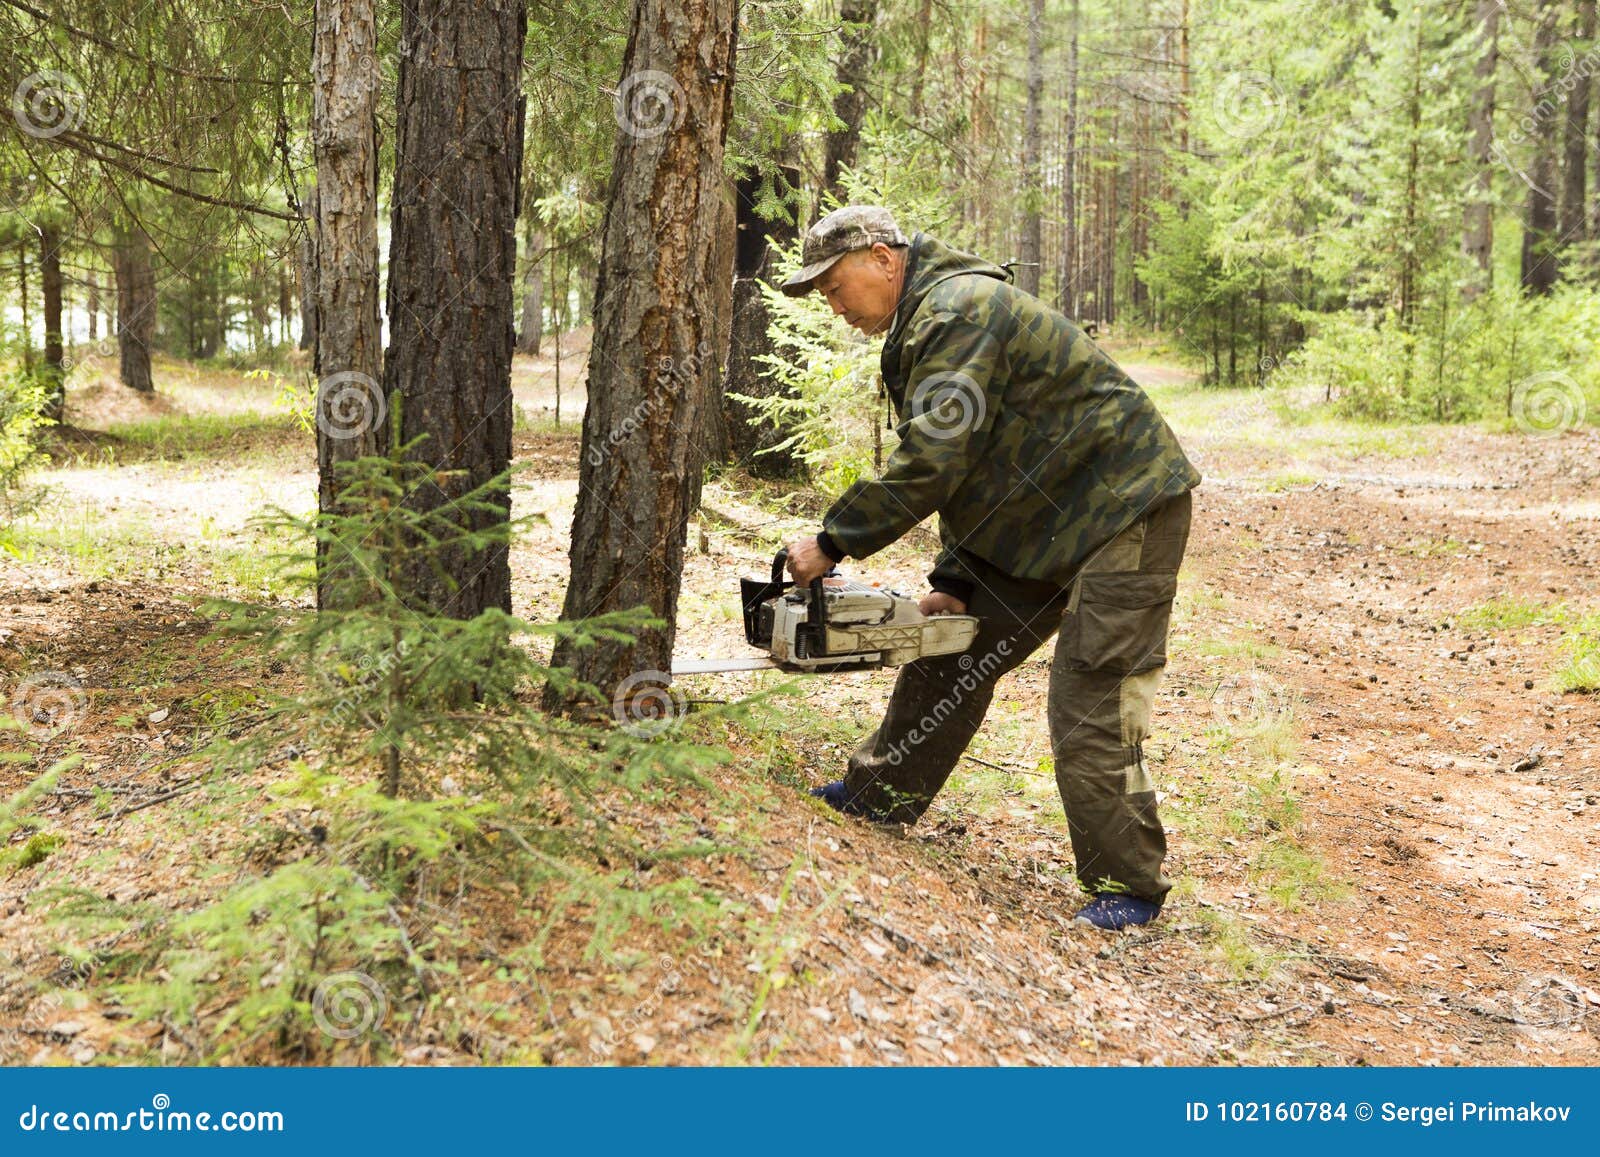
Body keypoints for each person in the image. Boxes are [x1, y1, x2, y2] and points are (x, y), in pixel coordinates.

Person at [779, 205, 1201, 931]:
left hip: (1123, 505)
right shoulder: (934, 316)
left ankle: (1127, 886)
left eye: (836, 285)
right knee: (953, 643)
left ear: (883, 259)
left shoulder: (956, 311)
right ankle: (882, 793)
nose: (834, 304)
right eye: (822, 295)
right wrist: (954, 579)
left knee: (1091, 693)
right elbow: (979, 464)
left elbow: (933, 462)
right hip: (1048, 513)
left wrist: (833, 540)